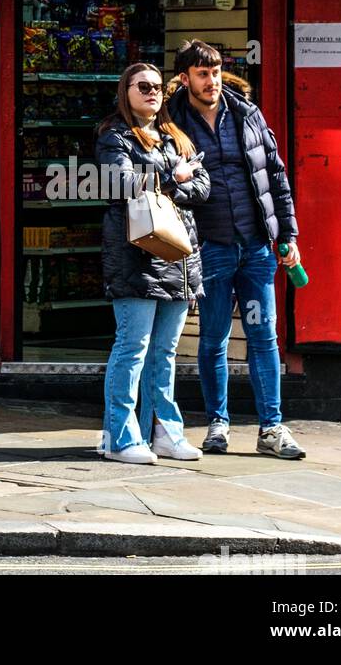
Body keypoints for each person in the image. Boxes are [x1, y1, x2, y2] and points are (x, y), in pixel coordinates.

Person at [166, 39, 307, 460]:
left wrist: (288, 234)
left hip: (256, 246)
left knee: (263, 336)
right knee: (213, 339)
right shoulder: (172, 121)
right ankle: (217, 423)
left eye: (214, 72)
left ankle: (272, 428)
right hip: (209, 247)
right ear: (185, 78)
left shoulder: (246, 114)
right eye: (202, 74)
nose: (211, 81)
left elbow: (276, 176)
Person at [95, 62, 210, 464]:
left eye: (158, 87)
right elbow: (121, 183)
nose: (152, 93)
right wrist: (174, 178)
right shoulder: (115, 135)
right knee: (133, 348)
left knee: (165, 353)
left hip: (177, 255)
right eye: (142, 86)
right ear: (125, 91)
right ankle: (120, 437)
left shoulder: (176, 136)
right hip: (136, 256)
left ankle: (165, 433)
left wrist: (175, 183)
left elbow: (203, 185)